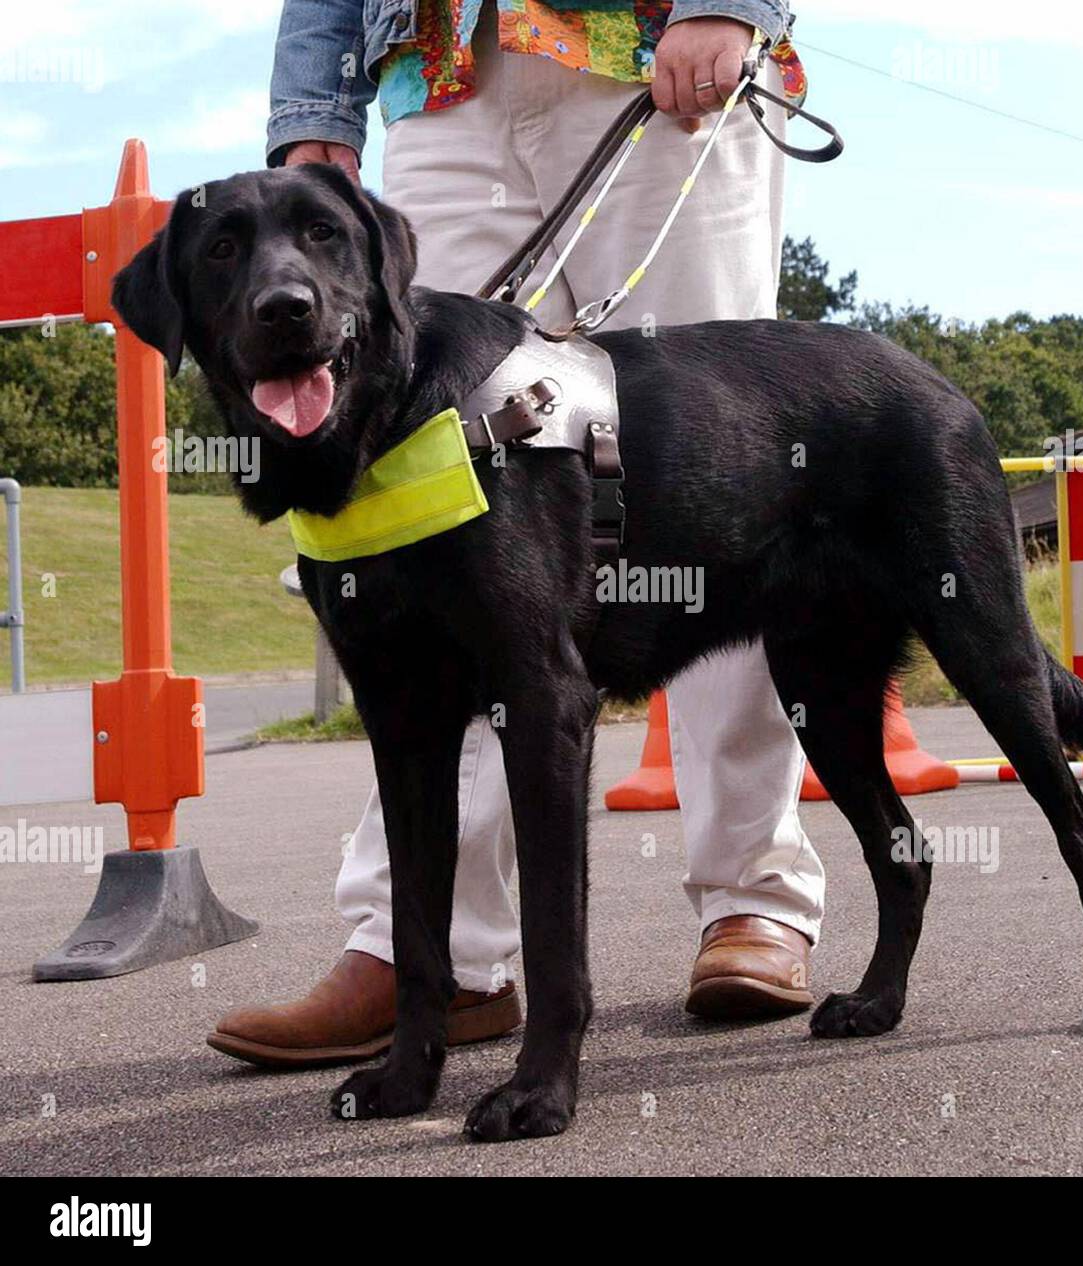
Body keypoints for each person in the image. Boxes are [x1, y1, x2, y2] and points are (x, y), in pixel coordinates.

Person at [209, 0, 827, 1069]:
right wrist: (313, 110)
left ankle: (751, 896)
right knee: (433, 524)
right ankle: (434, 954)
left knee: (717, 490)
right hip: (444, 78)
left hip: (648, 48)